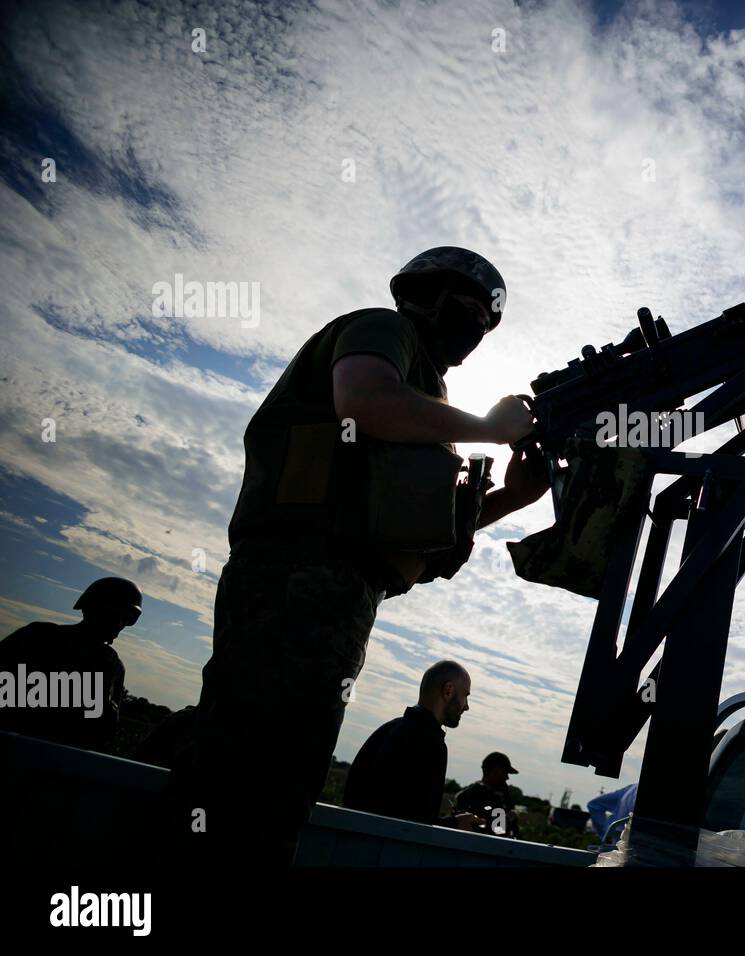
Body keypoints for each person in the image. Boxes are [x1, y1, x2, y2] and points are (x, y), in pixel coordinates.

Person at [179, 248, 550, 864]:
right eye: (469, 313)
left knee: (279, 785)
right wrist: (489, 428)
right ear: (428, 296)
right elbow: (363, 402)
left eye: (488, 325)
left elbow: (412, 531)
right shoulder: (385, 328)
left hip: (340, 593)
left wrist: (510, 498)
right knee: (245, 774)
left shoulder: (426, 395)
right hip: (295, 576)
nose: (477, 333)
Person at [0, 577, 141, 750]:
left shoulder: (113, 666)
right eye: (113, 614)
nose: (119, 623)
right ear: (90, 608)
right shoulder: (39, 636)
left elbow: (103, 733)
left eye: (126, 618)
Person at [342, 661, 480, 829]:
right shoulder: (431, 745)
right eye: (465, 695)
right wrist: (455, 824)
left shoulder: (387, 729)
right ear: (448, 691)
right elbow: (414, 826)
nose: (466, 706)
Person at [455, 752, 520, 837]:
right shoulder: (487, 796)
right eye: (505, 773)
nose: (507, 778)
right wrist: (510, 817)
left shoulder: (467, 794)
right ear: (495, 771)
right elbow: (497, 829)